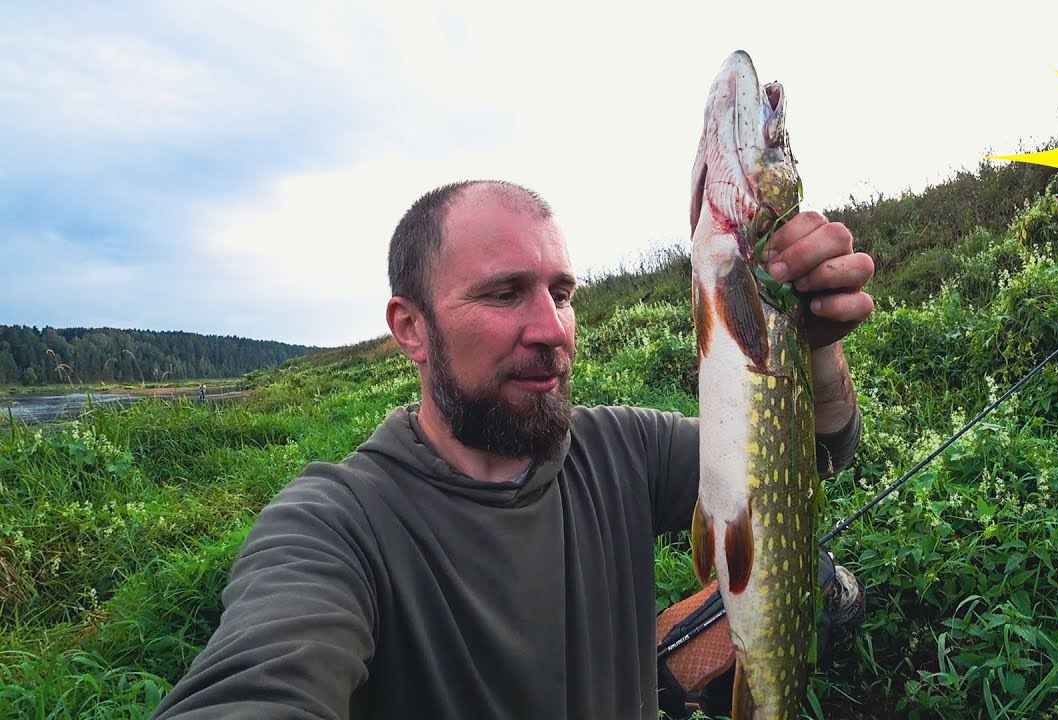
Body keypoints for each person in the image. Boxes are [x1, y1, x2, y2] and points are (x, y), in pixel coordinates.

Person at [151, 179, 876, 720]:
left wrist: (812, 353)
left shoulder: (621, 449)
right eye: (504, 294)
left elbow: (813, 455)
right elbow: (258, 683)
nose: (551, 329)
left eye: (562, 293)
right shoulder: (332, 526)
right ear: (410, 328)